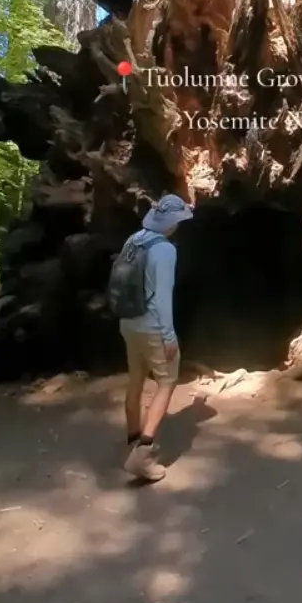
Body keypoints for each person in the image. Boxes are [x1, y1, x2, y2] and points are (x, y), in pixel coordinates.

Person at [120, 193, 193, 482]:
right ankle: (143, 454)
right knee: (167, 381)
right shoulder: (164, 250)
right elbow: (162, 298)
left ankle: (132, 438)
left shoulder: (134, 239)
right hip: (152, 325)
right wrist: (169, 336)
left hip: (128, 321)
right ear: (173, 223)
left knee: (135, 379)